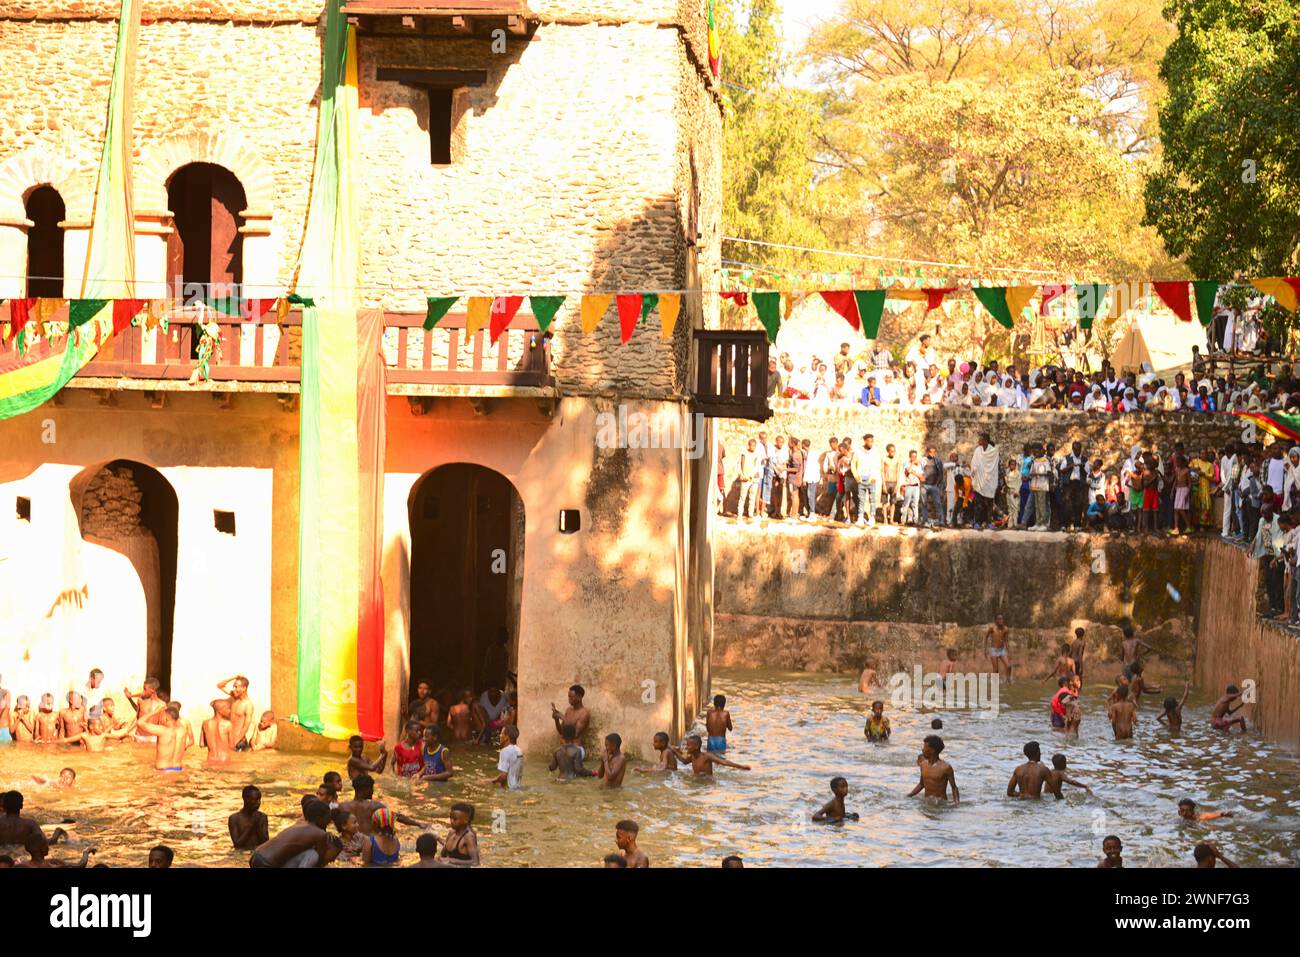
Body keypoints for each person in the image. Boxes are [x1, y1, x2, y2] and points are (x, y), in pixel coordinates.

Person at [250, 799, 334, 868]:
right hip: (267, 862)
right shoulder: (320, 834)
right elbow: (320, 859)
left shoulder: (301, 824)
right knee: (313, 855)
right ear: (320, 818)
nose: (330, 821)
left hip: (257, 854)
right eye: (328, 818)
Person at [336, 774, 425, 835]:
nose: (372, 792)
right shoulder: (374, 806)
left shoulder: (343, 806)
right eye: (371, 789)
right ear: (364, 789)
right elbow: (397, 817)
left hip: (349, 842)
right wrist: (418, 824)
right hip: (368, 842)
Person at [136, 702, 194, 771]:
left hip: (163, 771)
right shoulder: (183, 730)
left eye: (162, 716)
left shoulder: (162, 731)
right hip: (179, 769)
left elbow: (140, 722)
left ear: (166, 718)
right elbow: (191, 741)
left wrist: (155, 712)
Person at [909, 735, 958, 804]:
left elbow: (954, 787)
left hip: (940, 804)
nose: (922, 749)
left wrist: (956, 802)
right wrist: (909, 795)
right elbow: (921, 784)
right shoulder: (923, 764)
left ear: (932, 750)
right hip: (927, 802)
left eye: (925, 747)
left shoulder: (946, 768)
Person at [669, 735, 752, 775]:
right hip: (698, 781)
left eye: (689, 745)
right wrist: (674, 751)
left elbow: (724, 762)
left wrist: (741, 767)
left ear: (697, 746)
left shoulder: (706, 756)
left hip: (707, 782)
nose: (687, 747)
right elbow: (684, 761)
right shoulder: (692, 757)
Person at [0, 790, 47, 857]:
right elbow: (42, 842)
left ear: (4, 806)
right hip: (23, 856)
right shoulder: (31, 824)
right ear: (21, 806)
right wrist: (56, 836)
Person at [215, 676, 255, 750]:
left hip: (238, 742)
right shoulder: (234, 697)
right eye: (233, 687)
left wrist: (235, 742)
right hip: (229, 740)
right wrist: (235, 677)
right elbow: (219, 685)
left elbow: (246, 727)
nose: (234, 689)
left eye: (236, 687)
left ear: (244, 688)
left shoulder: (248, 705)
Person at [228, 785, 269, 850]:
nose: (258, 803)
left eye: (259, 799)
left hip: (257, 852)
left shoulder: (262, 817)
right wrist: (252, 824)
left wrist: (257, 825)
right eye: (255, 799)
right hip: (241, 854)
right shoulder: (234, 818)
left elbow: (266, 843)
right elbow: (237, 845)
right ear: (245, 799)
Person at [550, 685, 590, 750]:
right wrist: (556, 719)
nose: (569, 699)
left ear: (579, 697)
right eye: (569, 697)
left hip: (577, 749)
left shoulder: (584, 713)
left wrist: (562, 717)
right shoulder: (568, 710)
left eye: (571, 697)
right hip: (566, 748)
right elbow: (561, 732)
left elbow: (575, 734)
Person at [201, 698, 235, 765]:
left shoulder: (205, 723)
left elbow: (202, 744)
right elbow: (232, 746)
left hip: (210, 759)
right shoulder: (228, 724)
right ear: (220, 710)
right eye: (228, 708)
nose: (230, 711)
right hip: (224, 759)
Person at [491, 725, 524, 789]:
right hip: (518, 787)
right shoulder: (519, 750)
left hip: (508, 789)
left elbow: (503, 776)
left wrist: (490, 781)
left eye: (501, 733)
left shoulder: (505, 751)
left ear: (506, 737)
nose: (500, 736)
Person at [986, 614, 1013, 682]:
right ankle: (995, 683)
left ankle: (1008, 680)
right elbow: (986, 637)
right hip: (994, 650)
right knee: (996, 670)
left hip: (1002, 650)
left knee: (1008, 666)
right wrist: (985, 650)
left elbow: (1006, 641)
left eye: (1002, 619)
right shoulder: (992, 628)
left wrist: (1009, 652)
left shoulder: (1005, 629)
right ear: (996, 620)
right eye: (999, 619)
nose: (1001, 620)